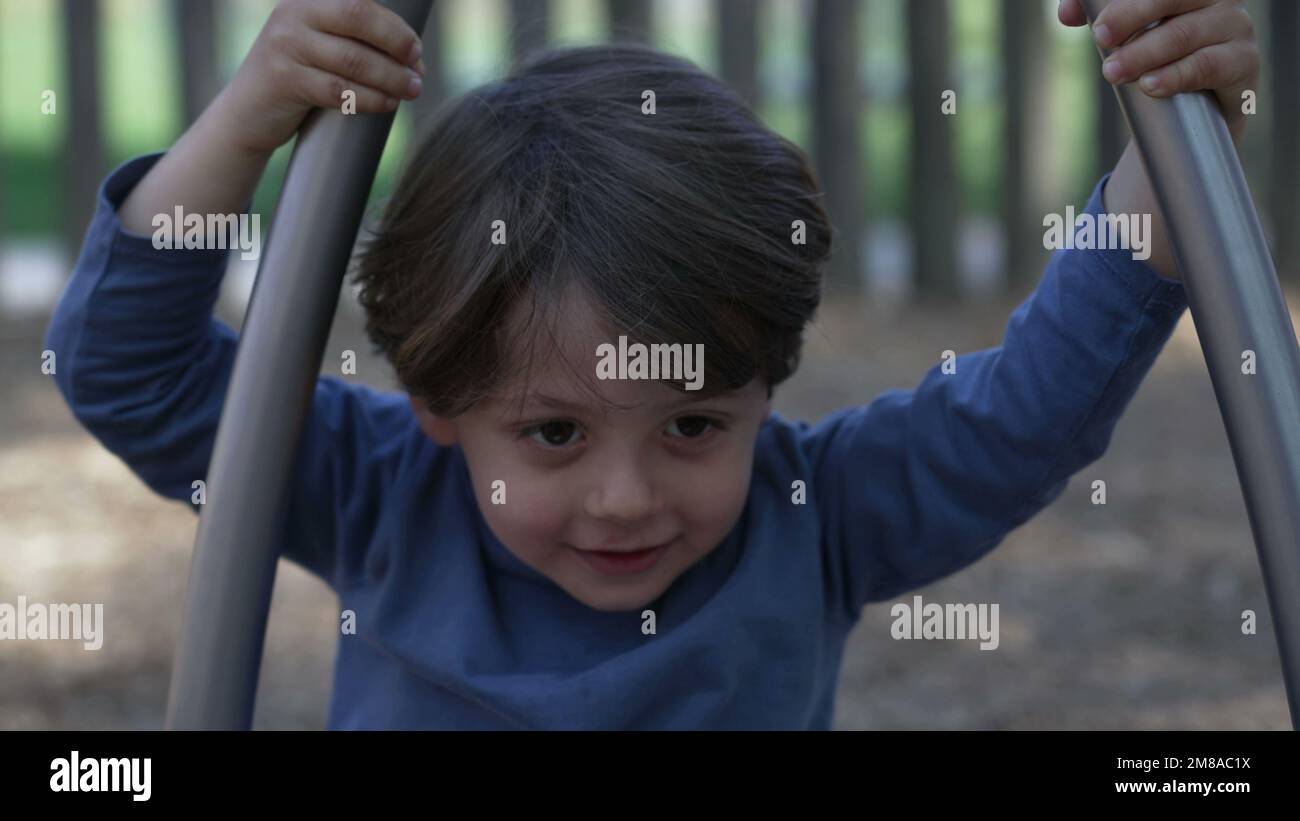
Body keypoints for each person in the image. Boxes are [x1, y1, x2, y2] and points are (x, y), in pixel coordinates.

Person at [44, 0, 1260, 728]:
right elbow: (124, 367)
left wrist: (1173, 142)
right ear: (436, 403)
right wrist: (248, 119)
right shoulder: (378, 494)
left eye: (692, 424)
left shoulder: (811, 512)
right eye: (555, 434)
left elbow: (1026, 414)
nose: (626, 498)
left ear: (766, 384)